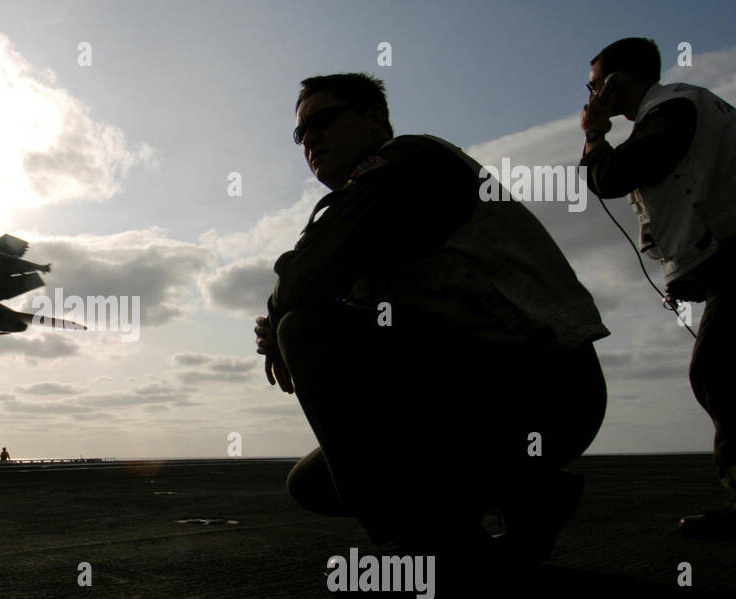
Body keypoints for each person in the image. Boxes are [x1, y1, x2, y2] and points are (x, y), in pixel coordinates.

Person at [257, 73, 610, 564]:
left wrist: (278, 320)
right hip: (485, 394)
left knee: (308, 332)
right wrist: (286, 305)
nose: (309, 138)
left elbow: (308, 276)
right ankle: (528, 493)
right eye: (300, 134)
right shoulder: (361, 204)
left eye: (322, 120)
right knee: (315, 484)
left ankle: (440, 553)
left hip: (544, 387)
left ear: (374, 119)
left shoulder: (411, 164)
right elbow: (315, 274)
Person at [580, 37, 736, 540]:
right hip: (723, 264)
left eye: (593, 84)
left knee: (718, 374)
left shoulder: (671, 107)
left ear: (617, 82)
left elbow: (615, 176)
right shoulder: (687, 107)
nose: (589, 95)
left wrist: (595, 135)